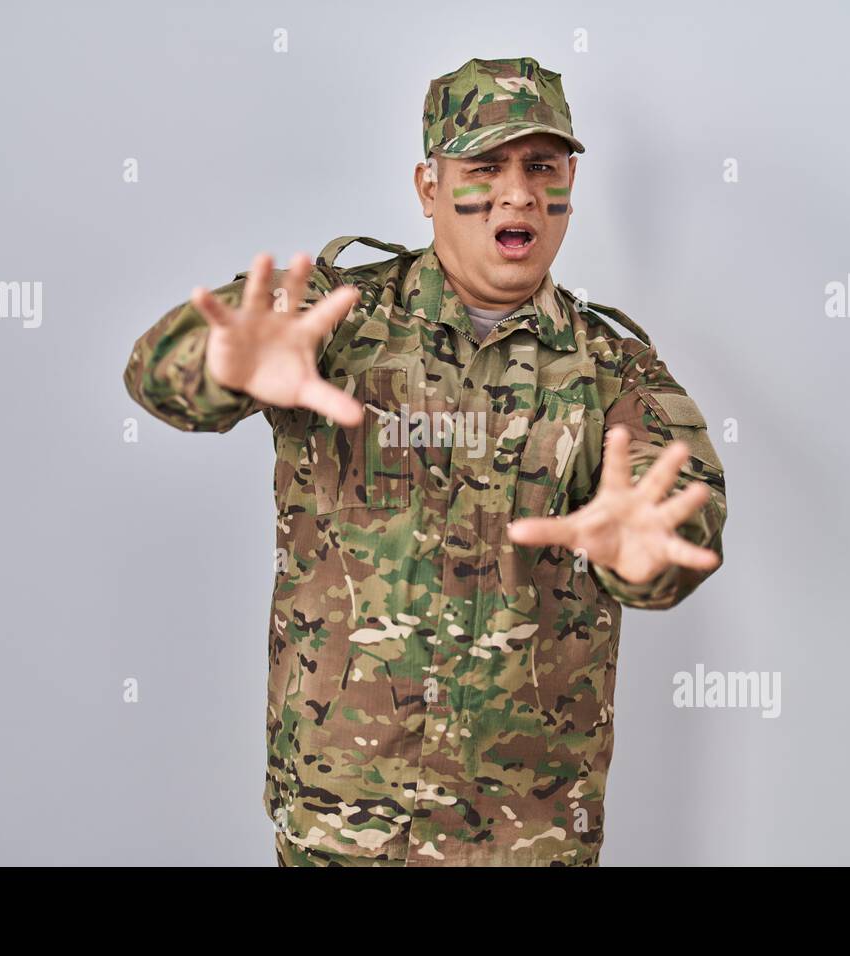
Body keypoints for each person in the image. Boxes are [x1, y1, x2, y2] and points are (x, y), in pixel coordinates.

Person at [123, 56, 728, 866]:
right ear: (429, 187)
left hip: (527, 837)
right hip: (341, 827)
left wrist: (645, 555)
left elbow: (683, 511)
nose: (517, 194)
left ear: (569, 187)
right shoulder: (336, 316)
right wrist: (219, 368)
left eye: (541, 167)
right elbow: (162, 369)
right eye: (485, 166)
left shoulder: (613, 371)